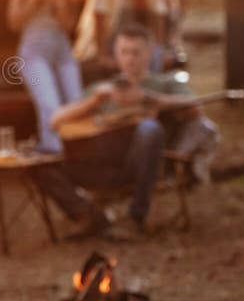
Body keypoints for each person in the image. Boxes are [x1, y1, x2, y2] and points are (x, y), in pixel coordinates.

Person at [50, 23, 208, 234]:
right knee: (41, 165)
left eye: (136, 52)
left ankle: (136, 218)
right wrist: (94, 101)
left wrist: (148, 98)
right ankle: (88, 216)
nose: (130, 58)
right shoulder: (102, 89)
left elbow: (197, 109)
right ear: (116, 54)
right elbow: (55, 121)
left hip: (137, 163)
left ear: (149, 53)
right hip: (98, 161)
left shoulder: (165, 82)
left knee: (149, 128)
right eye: (124, 52)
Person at [6, 0, 83, 154]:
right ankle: (54, 157)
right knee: (50, 106)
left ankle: (80, 157)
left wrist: (58, 0)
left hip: (62, 49)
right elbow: (13, 23)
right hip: (33, 51)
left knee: (76, 104)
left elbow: (69, 26)